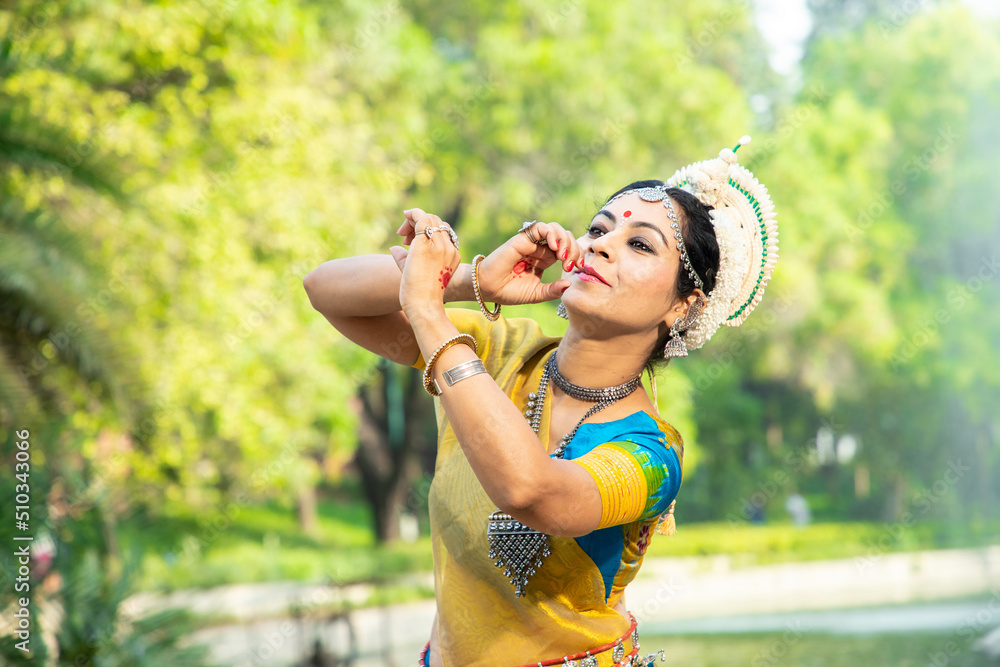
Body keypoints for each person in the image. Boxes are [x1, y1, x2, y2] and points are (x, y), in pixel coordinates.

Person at [303, 137, 778, 666]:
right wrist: (471, 281)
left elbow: (531, 492)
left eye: (640, 245)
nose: (600, 245)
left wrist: (427, 308)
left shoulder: (651, 453)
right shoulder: (501, 350)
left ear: (682, 306)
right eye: (598, 229)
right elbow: (326, 289)